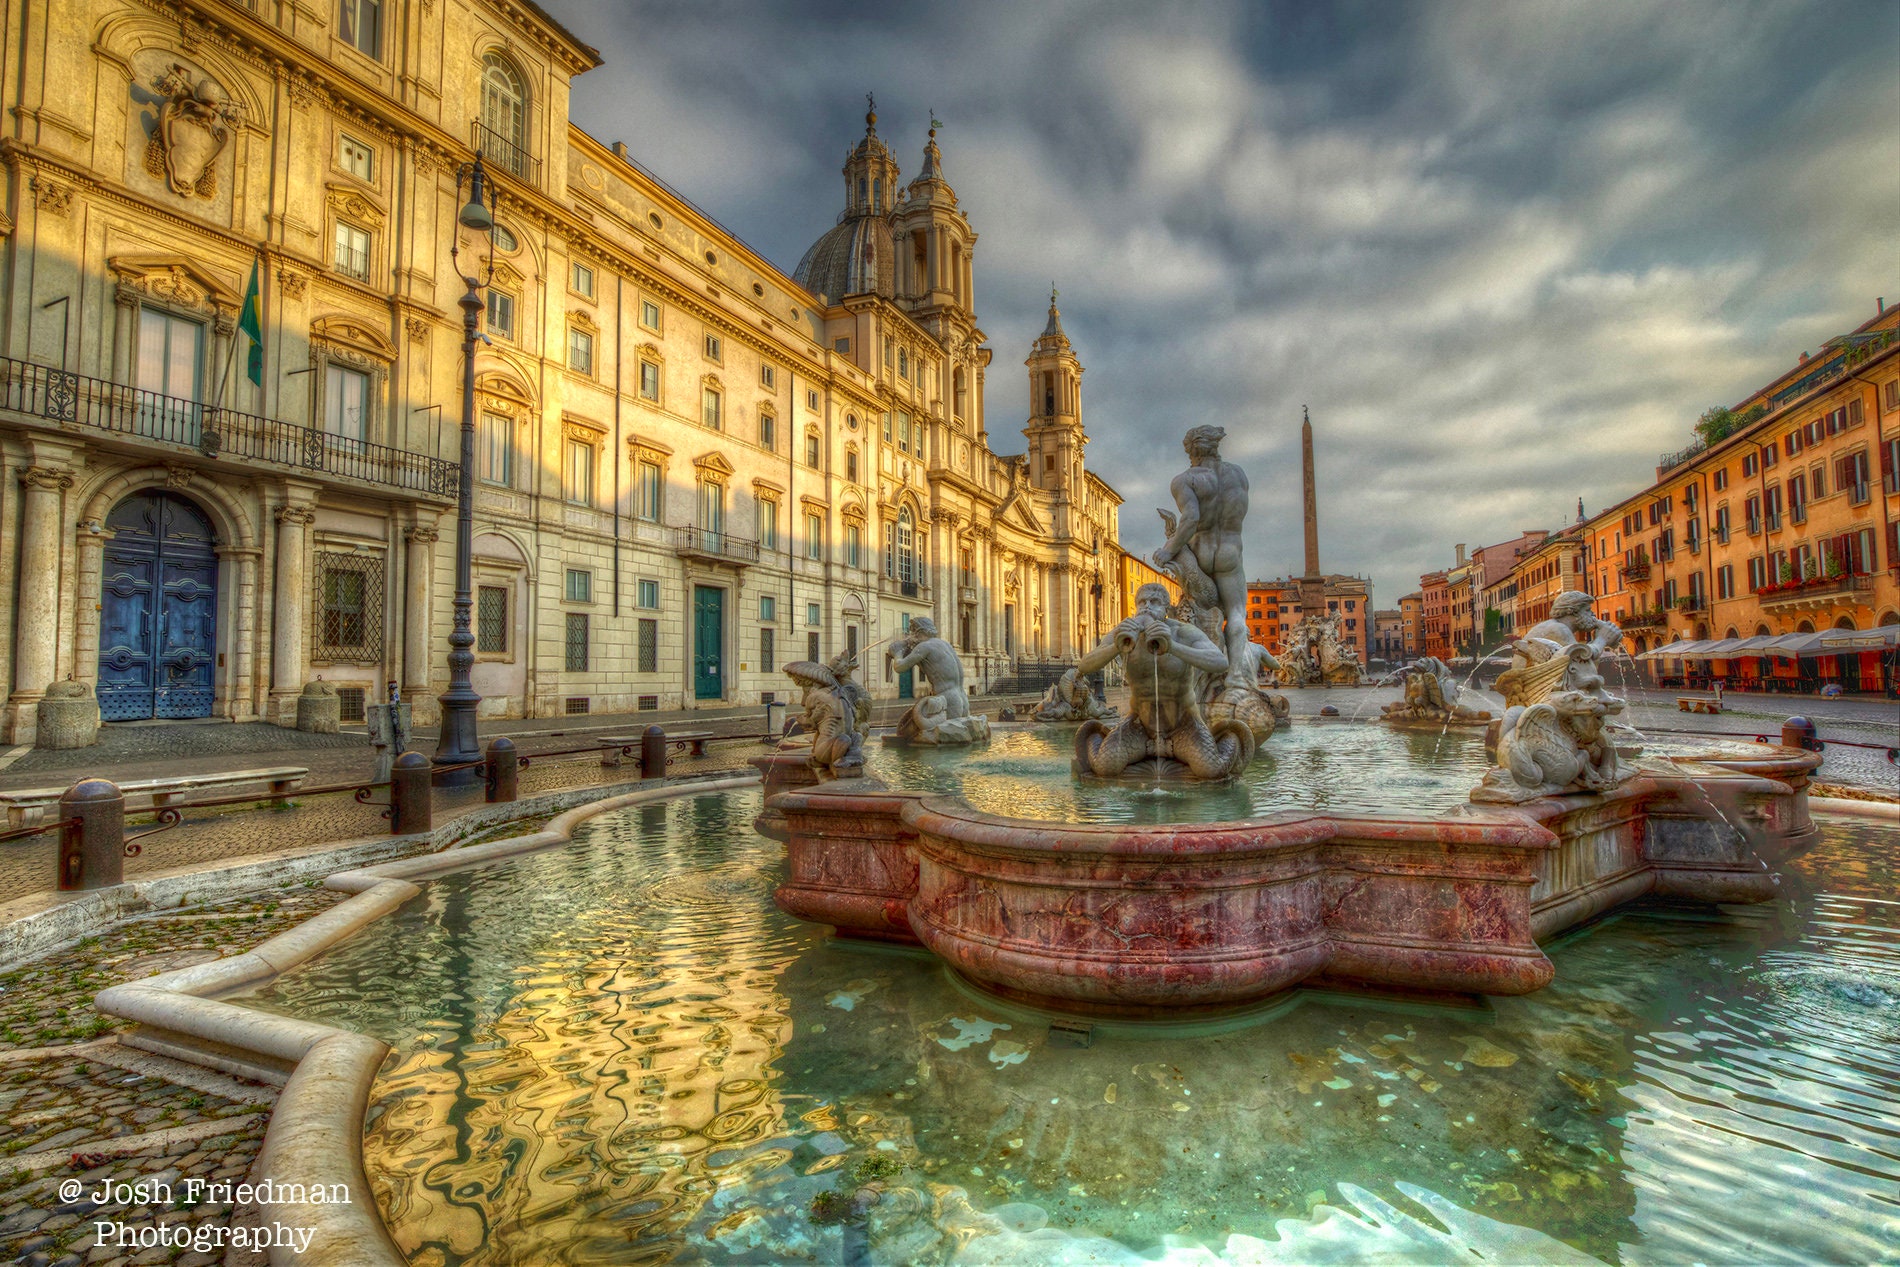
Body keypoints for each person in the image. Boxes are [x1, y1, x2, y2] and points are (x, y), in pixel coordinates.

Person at [1072, 583, 1251, 778]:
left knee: (1210, 769)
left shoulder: (1183, 632)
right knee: (1106, 767)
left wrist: (1172, 646)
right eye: (1142, 602)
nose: (1147, 606)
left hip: (1183, 724)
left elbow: (1220, 662)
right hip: (1140, 725)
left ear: (1167, 608)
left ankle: (1228, 737)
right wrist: (1116, 647)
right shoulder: (1124, 631)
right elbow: (1085, 666)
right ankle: (1098, 735)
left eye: (1154, 602)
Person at [1153, 425, 1252, 689]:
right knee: (1236, 613)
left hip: (1200, 551)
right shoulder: (1238, 475)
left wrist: (1168, 550)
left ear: (1190, 451)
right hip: (1230, 551)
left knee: (1197, 615)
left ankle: (1198, 679)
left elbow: (1191, 519)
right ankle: (1234, 676)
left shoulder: (1184, 480)